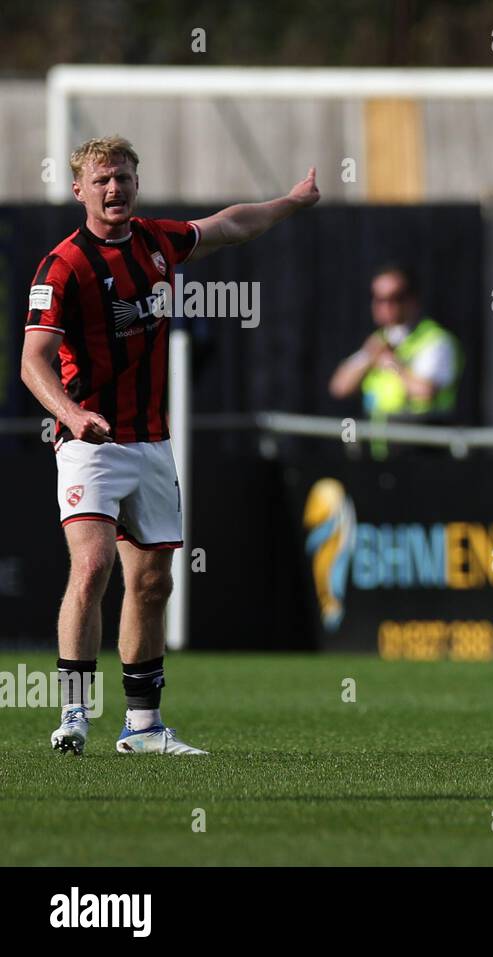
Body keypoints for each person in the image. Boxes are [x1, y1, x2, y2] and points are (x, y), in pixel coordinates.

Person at [21, 135, 320, 755]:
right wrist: (72, 415)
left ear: (137, 182)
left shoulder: (158, 242)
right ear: (79, 189)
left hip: (152, 443)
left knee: (153, 582)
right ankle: (73, 714)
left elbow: (230, 225)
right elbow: (33, 363)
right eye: (102, 179)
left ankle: (143, 728)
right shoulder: (64, 265)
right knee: (93, 564)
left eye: (124, 177)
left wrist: (290, 202)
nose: (114, 189)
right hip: (90, 440)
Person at [328, 264, 460, 458]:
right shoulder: (378, 342)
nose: (386, 306)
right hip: (380, 451)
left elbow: (424, 391)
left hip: (424, 451)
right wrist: (370, 357)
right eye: (379, 299)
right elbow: (339, 387)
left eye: (395, 298)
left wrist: (392, 363)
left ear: (413, 300)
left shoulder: (436, 341)